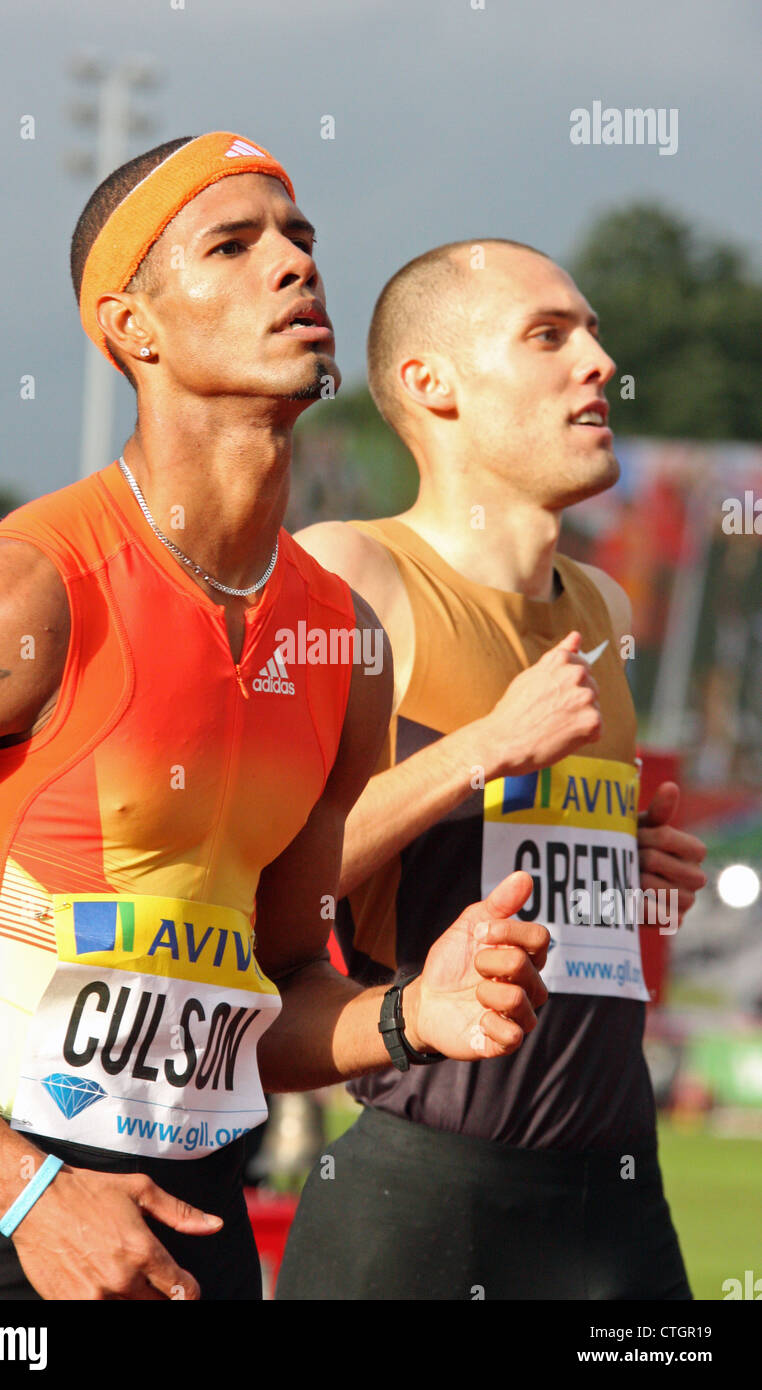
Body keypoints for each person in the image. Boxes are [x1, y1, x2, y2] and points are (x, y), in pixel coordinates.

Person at [0, 140, 561, 1303]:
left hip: (199, 1224)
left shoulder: (342, 644)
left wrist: (407, 1013)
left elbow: (281, 982)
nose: (292, 266)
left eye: (299, 239)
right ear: (131, 327)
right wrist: (24, 1191)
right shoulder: (14, 595)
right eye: (234, 244)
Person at [277, 239, 708, 1301]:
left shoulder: (601, 606)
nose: (599, 363)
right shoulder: (352, 571)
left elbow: (516, 873)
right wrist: (484, 749)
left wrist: (622, 861)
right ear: (433, 385)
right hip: (425, 1190)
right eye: (548, 335)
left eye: (594, 332)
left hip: (615, 1186)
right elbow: (259, 880)